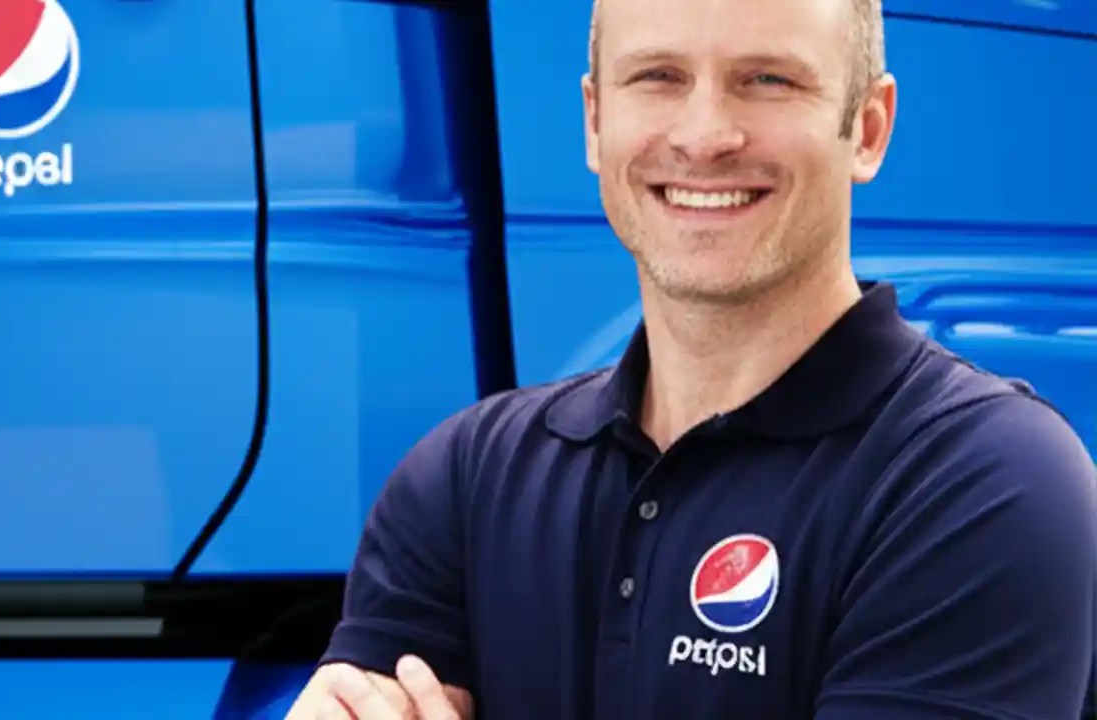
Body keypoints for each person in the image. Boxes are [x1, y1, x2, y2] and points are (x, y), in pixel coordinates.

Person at [285, 0, 1097, 716]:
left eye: (768, 80)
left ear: (869, 128)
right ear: (595, 121)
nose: (706, 136)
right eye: (659, 77)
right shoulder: (461, 484)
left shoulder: (985, 483)